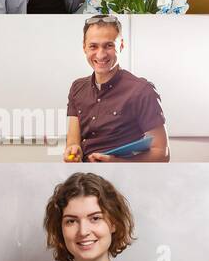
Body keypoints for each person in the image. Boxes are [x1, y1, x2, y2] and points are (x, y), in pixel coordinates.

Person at [21, 172, 167, 261]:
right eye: (71, 221)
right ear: (61, 229)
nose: (83, 231)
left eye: (95, 218)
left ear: (113, 223)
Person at [64, 15, 168, 162]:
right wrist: (73, 151)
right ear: (84, 48)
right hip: (85, 176)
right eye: (93, 46)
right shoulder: (77, 87)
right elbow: (73, 142)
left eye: (109, 45)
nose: (100, 54)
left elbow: (162, 153)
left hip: (123, 175)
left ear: (121, 45)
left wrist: (117, 163)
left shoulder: (142, 90)